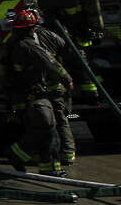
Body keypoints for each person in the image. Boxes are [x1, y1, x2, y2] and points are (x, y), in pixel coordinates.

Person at [4, 10, 71, 176]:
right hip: (35, 93)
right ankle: (16, 154)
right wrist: (67, 79)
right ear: (31, 29)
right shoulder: (29, 45)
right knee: (47, 127)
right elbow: (50, 63)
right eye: (33, 28)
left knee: (47, 128)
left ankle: (49, 168)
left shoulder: (11, 44)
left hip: (23, 95)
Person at [35, 22, 95, 167]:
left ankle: (51, 155)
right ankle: (68, 153)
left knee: (47, 122)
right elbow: (68, 53)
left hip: (42, 87)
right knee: (61, 119)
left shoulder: (28, 42)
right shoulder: (54, 36)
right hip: (58, 85)